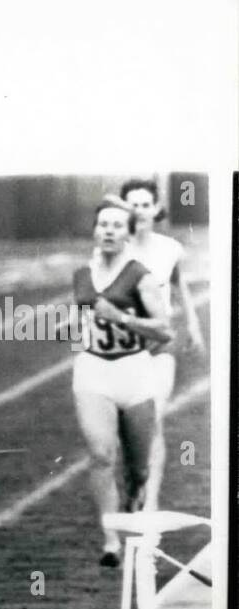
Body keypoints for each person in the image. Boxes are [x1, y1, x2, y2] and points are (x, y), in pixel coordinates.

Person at [71, 197, 174, 565]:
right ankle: (110, 540)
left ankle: (133, 499)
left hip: (135, 372)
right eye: (103, 225)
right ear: (95, 231)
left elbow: (164, 331)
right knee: (100, 454)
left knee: (140, 468)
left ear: (128, 234)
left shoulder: (140, 276)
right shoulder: (82, 274)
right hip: (93, 370)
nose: (109, 231)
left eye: (117, 225)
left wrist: (121, 318)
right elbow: (83, 318)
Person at [119, 178, 206, 513]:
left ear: (155, 209)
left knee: (153, 415)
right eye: (132, 205)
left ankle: (150, 500)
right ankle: (135, 477)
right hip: (125, 347)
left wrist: (194, 325)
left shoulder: (168, 248)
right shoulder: (117, 249)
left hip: (160, 343)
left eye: (144, 204)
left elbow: (178, 283)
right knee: (130, 427)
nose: (138, 211)